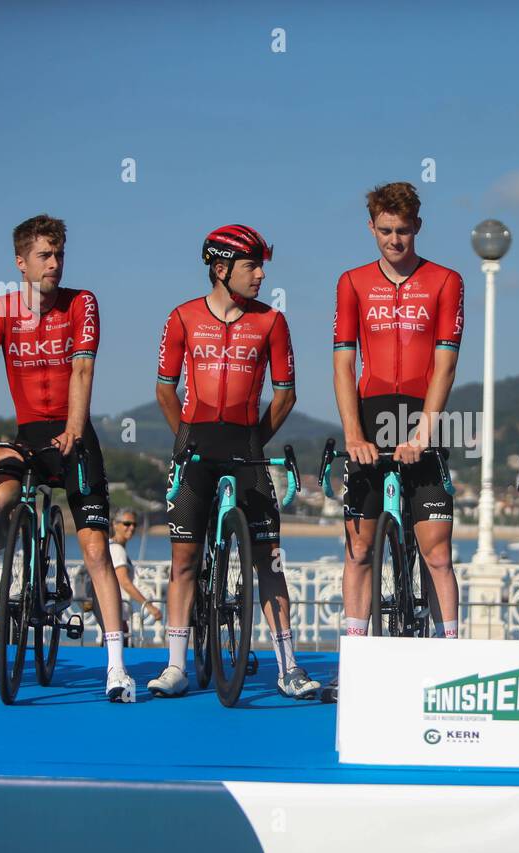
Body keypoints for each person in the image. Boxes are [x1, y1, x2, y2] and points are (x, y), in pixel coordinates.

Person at [0, 214, 136, 701]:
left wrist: (74, 429)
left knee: (96, 550)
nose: (55, 264)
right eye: (44, 255)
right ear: (21, 262)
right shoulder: (1, 310)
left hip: (74, 433)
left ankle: (117, 667)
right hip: (27, 436)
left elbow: (82, 370)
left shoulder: (82, 303)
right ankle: (3, 567)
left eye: (59, 254)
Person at [150, 224, 319, 699]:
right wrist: (185, 439)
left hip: (247, 449)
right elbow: (164, 390)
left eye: (261, 266)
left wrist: (254, 443)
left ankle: (289, 667)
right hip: (196, 448)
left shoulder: (271, 322)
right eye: (252, 266)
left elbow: (285, 396)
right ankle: (175, 666)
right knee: (183, 559)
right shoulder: (182, 317)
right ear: (221, 269)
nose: (261, 275)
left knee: (270, 559)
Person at [329, 182, 465, 702]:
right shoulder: (352, 283)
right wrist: (353, 434)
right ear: (371, 227)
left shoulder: (446, 281)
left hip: (422, 418)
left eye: (403, 230)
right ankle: (354, 662)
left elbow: (445, 364)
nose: (394, 239)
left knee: (437, 552)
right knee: (360, 549)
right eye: (385, 230)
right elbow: (344, 364)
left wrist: (425, 432)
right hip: (369, 417)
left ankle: (449, 661)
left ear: (417, 227)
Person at [90, 509, 161, 639]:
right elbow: (124, 582)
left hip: (109, 612)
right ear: (115, 524)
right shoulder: (117, 550)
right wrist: (149, 606)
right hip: (118, 612)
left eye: (134, 524)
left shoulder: (108, 546)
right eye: (127, 523)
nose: (131, 527)